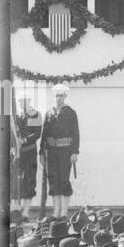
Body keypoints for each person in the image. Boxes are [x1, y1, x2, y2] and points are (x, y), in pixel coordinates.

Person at [39, 83, 79, 218]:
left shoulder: (71, 113)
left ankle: (64, 212)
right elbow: (44, 134)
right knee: (53, 181)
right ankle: (56, 212)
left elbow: (76, 134)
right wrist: (41, 153)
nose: (58, 98)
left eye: (61, 96)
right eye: (56, 96)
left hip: (65, 152)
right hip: (51, 152)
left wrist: (75, 152)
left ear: (65, 96)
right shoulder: (49, 113)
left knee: (63, 180)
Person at [11, 95, 43, 217]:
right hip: (17, 153)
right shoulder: (15, 116)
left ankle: (26, 212)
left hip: (29, 151)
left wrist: (23, 140)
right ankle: (17, 210)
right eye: (20, 101)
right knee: (16, 181)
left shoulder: (36, 114)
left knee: (29, 181)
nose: (22, 104)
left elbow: (37, 133)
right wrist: (13, 146)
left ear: (29, 101)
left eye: (25, 101)